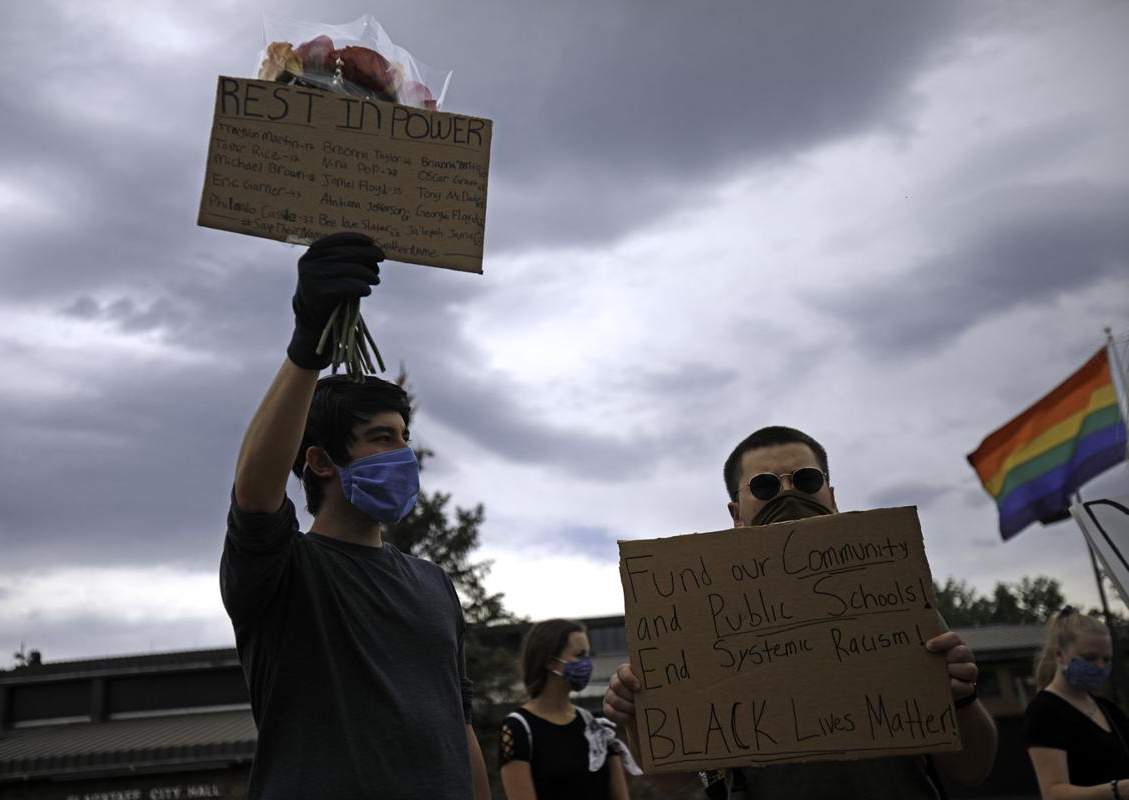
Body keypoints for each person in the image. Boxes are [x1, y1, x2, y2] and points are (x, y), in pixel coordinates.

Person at [221, 233, 489, 800]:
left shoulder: (433, 583)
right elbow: (254, 489)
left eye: (404, 439)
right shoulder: (284, 572)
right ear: (319, 460)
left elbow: (457, 724)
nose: (402, 456)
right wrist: (306, 349)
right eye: (380, 439)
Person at [602, 425, 998, 798]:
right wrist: (638, 718)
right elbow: (674, 781)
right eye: (765, 486)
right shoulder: (695, 617)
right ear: (736, 513)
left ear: (832, 494)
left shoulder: (897, 596)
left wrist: (961, 698)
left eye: (807, 480)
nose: (788, 496)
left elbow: (972, 770)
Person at [499, 619, 638, 800]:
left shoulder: (596, 725)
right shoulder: (517, 728)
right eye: (579, 655)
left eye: (589, 654)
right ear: (550, 662)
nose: (587, 663)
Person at [1025, 609, 1129, 800]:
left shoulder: (1108, 709)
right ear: (1059, 655)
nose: (1100, 666)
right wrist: (1117, 790)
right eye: (1090, 658)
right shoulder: (1045, 711)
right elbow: (1053, 793)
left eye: (1106, 659)